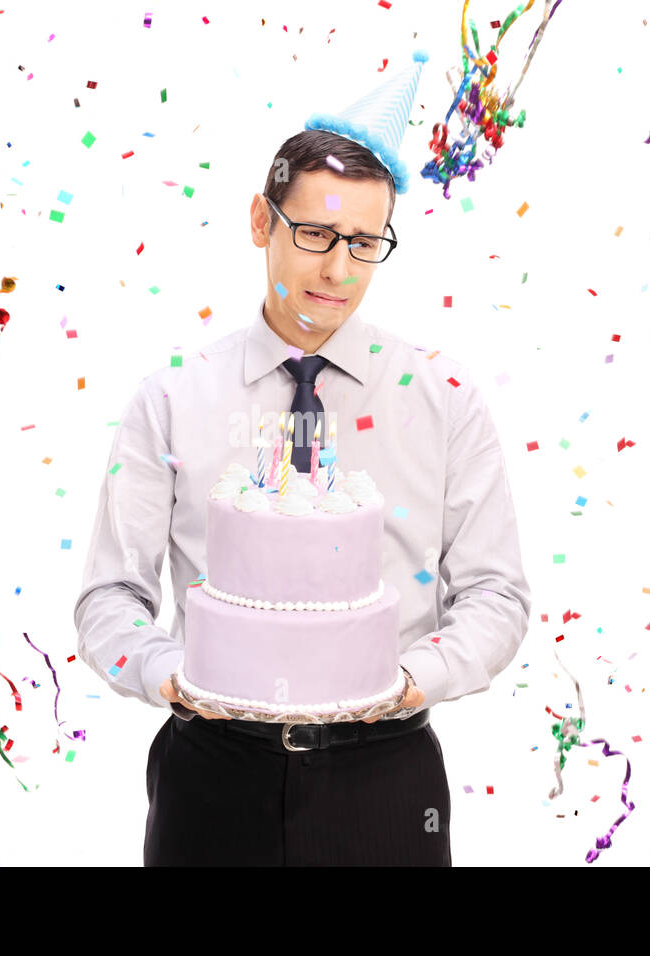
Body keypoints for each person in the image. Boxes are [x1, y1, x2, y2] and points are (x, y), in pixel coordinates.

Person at [74, 53, 531, 866]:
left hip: (385, 775)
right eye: (316, 233)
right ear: (261, 221)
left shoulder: (443, 398)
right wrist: (169, 674)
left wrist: (411, 677)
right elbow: (110, 595)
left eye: (363, 242)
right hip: (209, 773)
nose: (337, 269)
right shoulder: (172, 398)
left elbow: (496, 594)